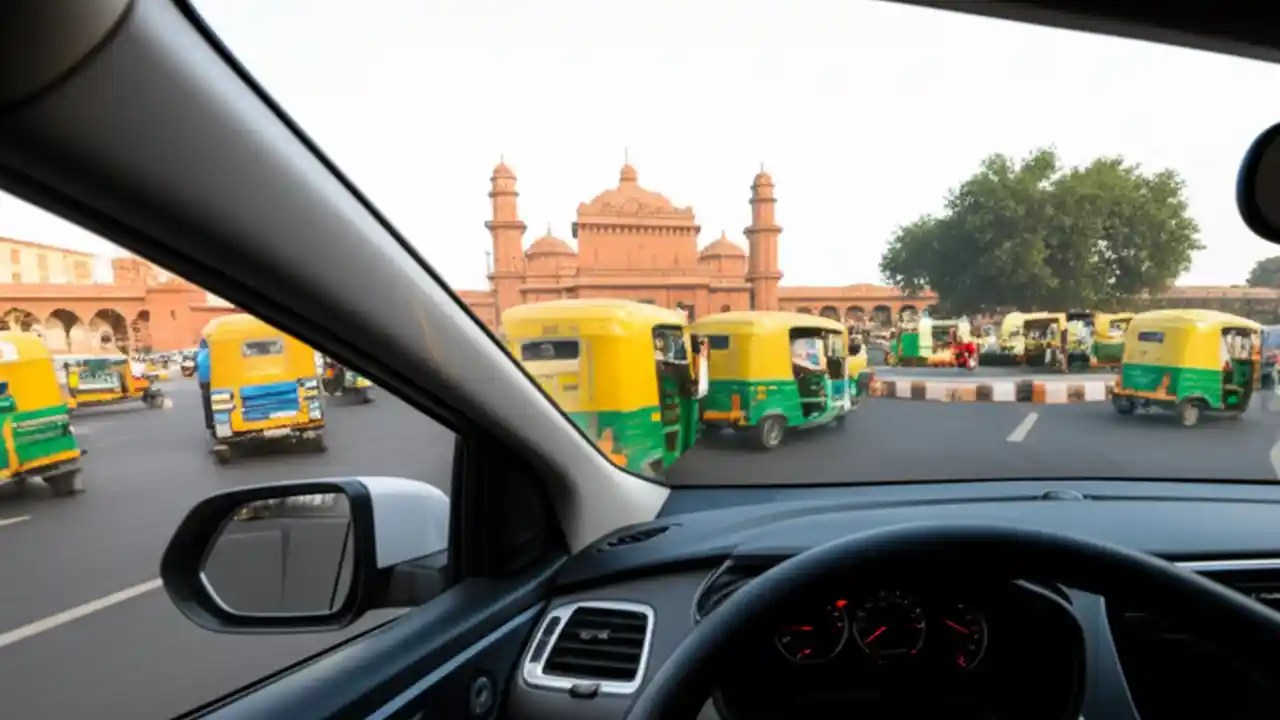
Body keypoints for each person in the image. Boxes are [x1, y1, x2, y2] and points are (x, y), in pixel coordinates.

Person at [196, 338, 212, 431]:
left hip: (203, 382)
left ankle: (209, 423)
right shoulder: (212, 351)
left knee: (207, 402)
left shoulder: (199, 353)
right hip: (214, 380)